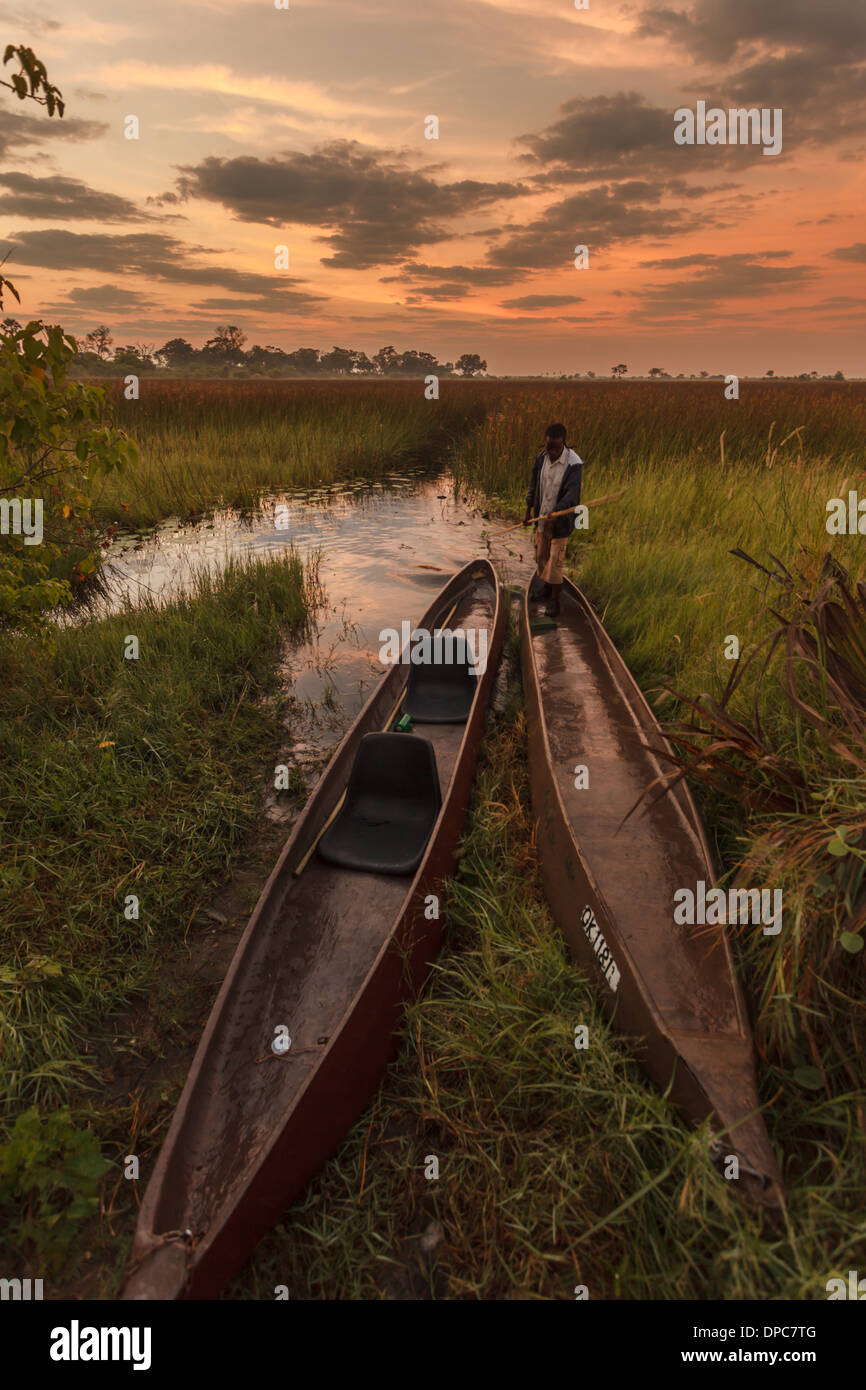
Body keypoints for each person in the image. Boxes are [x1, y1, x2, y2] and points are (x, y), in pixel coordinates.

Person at [522, 423, 583, 616]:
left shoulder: (573, 463)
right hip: (542, 518)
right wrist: (527, 510)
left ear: (563, 443)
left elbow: (572, 495)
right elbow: (533, 486)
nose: (551, 451)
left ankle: (555, 602)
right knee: (541, 558)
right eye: (548, 446)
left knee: (555, 564)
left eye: (555, 448)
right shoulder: (541, 458)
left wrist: (556, 511)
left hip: (560, 522)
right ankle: (547, 589)